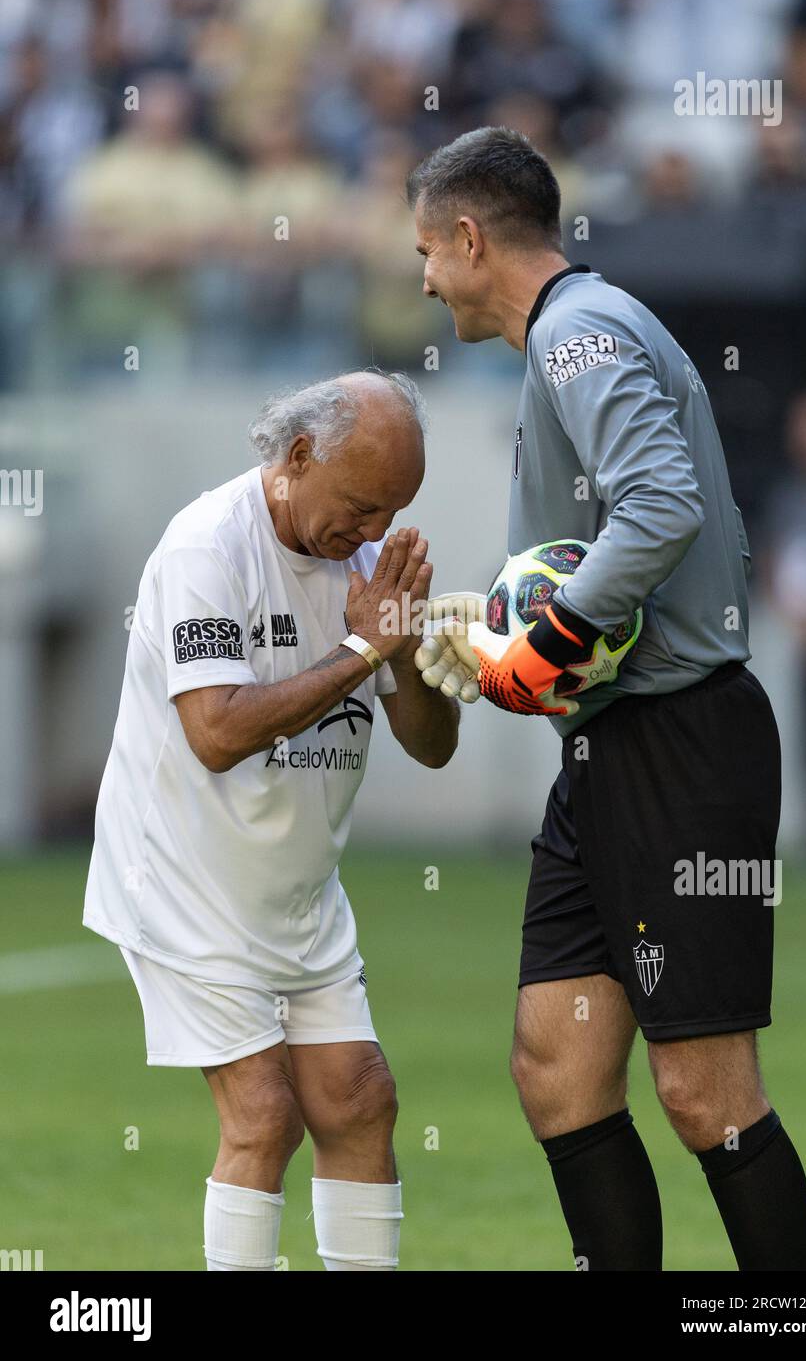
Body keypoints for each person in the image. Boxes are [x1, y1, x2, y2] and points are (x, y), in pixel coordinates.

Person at [407, 127, 806, 1271]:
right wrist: (511, 634)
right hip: (611, 746)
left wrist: (547, 641)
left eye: (426, 253)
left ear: (470, 237)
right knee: (556, 1064)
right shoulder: (578, 332)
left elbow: (657, 507)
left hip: (681, 745)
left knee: (702, 1091)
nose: (424, 282)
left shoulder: (577, 334)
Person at [83, 369, 459, 1271]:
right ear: (298, 456)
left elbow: (433, 746)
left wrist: (403, 658)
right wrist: (362, 647)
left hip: (295, 890)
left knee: (361, 1099)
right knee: (265, 1114)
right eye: (363, 506)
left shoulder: (367, 565)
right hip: (182, 876)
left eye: (394, 512)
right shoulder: (204, 549)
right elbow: (215, 731)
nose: (372, 533)